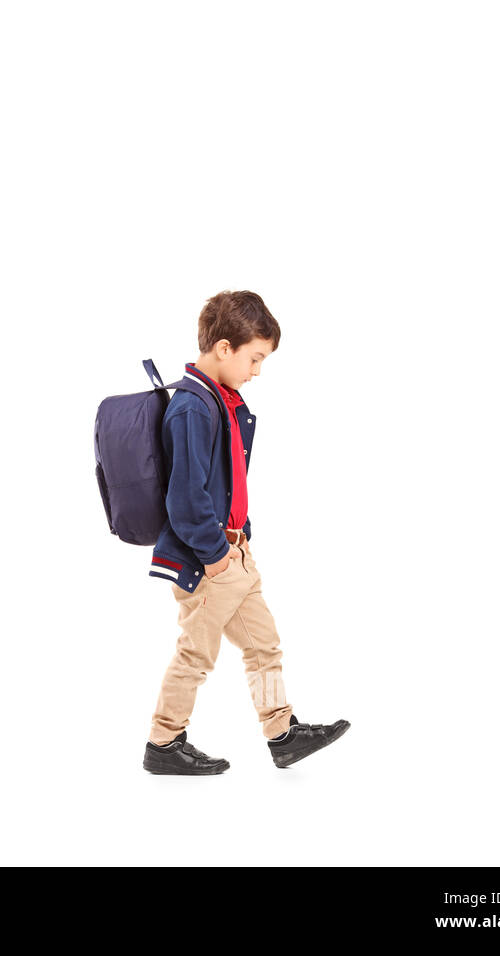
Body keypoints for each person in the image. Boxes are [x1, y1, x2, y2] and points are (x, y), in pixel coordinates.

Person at [141, 290, 349, 774]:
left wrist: (241, 539)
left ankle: (282, 733)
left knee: (263, 645)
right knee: (196, 653)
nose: (256, 371)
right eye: (254, 358)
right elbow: (186, 499)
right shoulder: (193, 407)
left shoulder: (222, 400)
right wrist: (217, 556)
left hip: (234, 552)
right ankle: (163, 743)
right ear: (223, 348)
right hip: (208, 559)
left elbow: (229, 480)